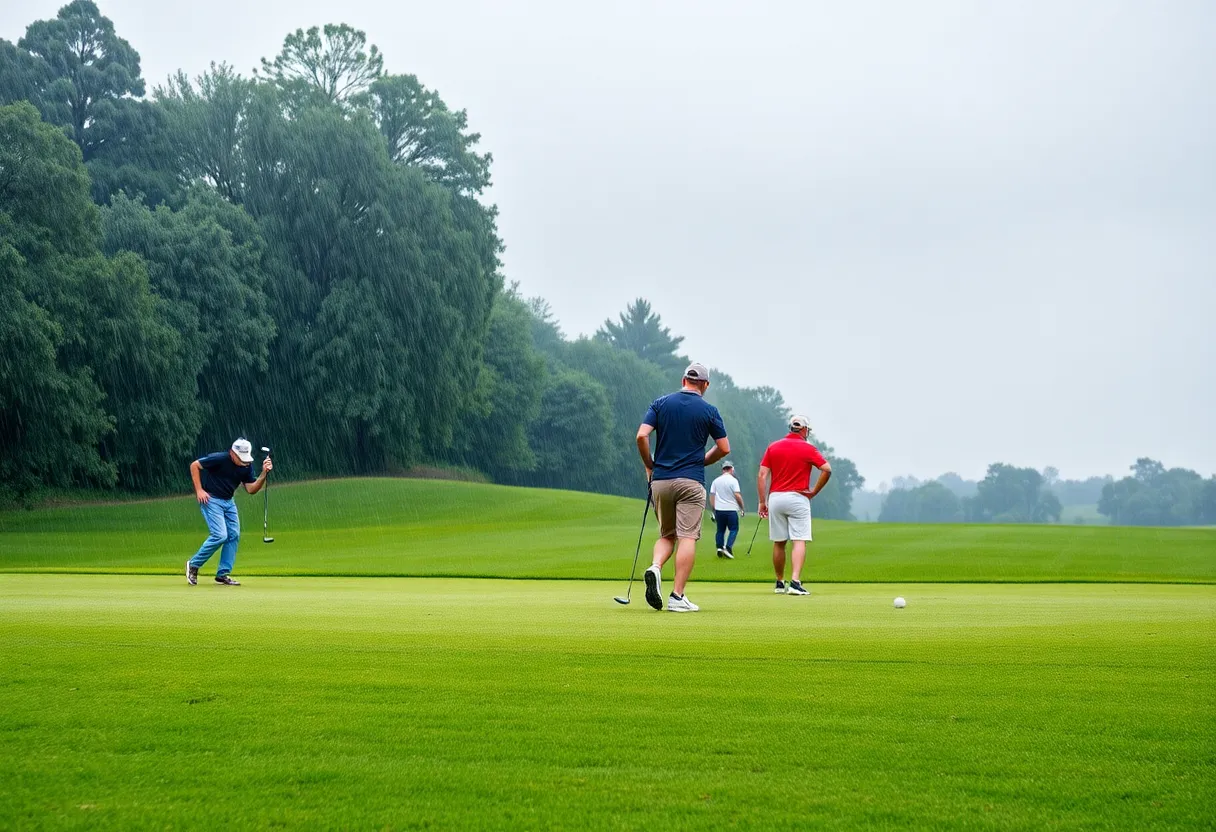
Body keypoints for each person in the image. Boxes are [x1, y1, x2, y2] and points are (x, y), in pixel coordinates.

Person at [635, 363, 731, 612]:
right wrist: (702, 460)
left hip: (661, 481)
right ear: (705, 385)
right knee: (687, 536)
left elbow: (641, 436)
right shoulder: (709, 411)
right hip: (690, 481)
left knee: (667, 535)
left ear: (683, 379)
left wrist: (650, 464)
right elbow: (724, 448)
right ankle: (677, 597)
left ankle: (655, 567)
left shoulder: (660, 403)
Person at [757, 415, 832, 596]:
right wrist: (814, 491)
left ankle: (780, 582)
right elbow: (827, 469)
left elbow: (762, 475)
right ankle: (795, 582)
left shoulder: (773, 447)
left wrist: (762, 502)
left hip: (776, 498)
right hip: (798, 498)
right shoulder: (808, 448)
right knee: (799, 540)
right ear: (804, 430)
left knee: (779, 541)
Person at [186, 438, 272, 586]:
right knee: (220, 535)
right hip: (211, 499)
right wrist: (199, 490)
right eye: (240, 458)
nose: (243, 461)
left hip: (228, 502)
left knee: (233, 535)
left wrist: (263, 474)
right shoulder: (220, 458)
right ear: (232, 453)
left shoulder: (246, 466)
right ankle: (193, 565)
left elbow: (251, 489)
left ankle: (222, 574)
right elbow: (195, 465)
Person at [709, 460, 745, 558]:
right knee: (733, 529)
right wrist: (742, 508)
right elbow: (737, 495)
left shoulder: (716, 481)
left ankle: (720, 547)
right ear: (731, 469)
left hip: (719, 510)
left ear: (723, 470)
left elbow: (712, 496)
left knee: (720, 530)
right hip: (731, 509)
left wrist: (713, 509)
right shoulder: (733, 480)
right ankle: (728, 547)